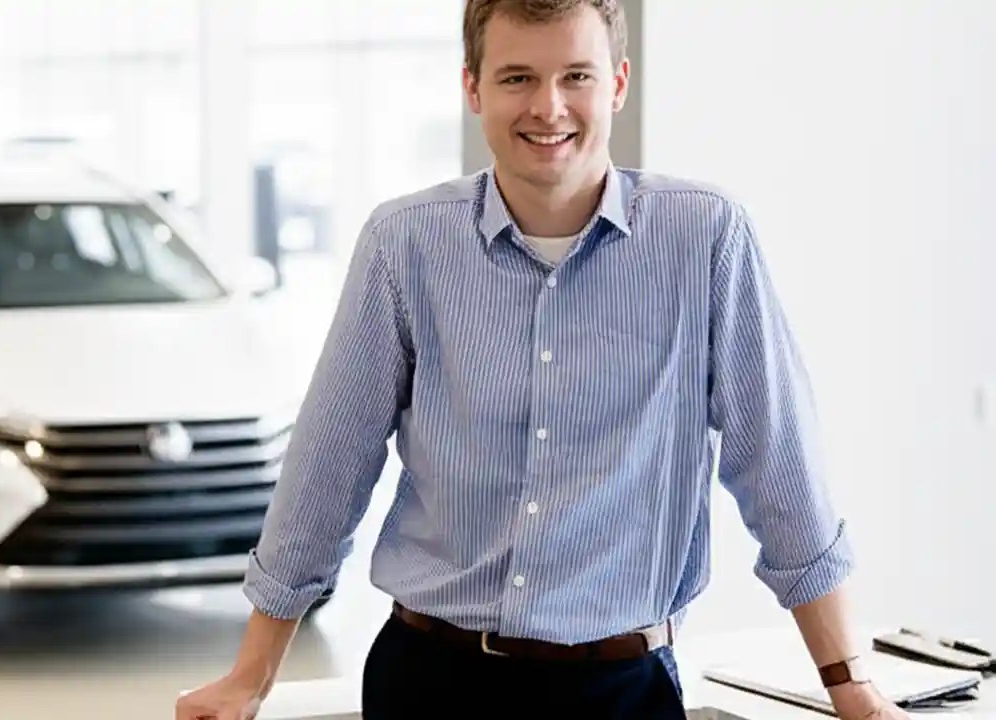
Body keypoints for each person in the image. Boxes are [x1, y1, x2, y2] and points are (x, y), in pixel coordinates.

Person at [177, 1, 910, 718]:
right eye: (517, 78)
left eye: (577, 77)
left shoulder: (706, 238)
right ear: (473, 87)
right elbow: (328, 467)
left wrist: (852, 686)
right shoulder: (405, 245)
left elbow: (779, 467)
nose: (549, 107)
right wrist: (251, 675)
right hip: (429, 681)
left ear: (618, 82)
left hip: (623, 689)